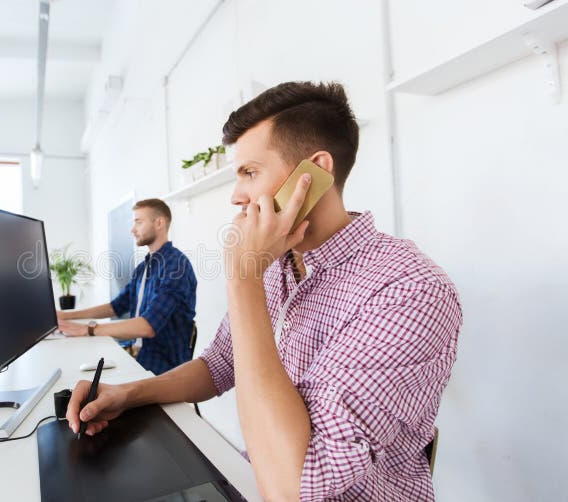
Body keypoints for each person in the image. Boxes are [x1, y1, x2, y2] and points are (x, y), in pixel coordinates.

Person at [65, 82, 462, 501]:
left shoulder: (408, 290)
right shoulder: (278, 266)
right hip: (252, 478)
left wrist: (243, 278)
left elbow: (295, 489)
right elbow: (219, 365)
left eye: (250, 173)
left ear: (313, 174)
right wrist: (128, 394)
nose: (237, 196)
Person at [58, 198, 197, 375]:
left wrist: (88, 329)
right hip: (137, 354)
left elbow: (148, 326)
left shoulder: (176, 266)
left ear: (159, 223)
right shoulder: (143, 268)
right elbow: (116, 307)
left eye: (139, 222)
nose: (132, 229)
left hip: (163, 366)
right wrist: (67, 315)